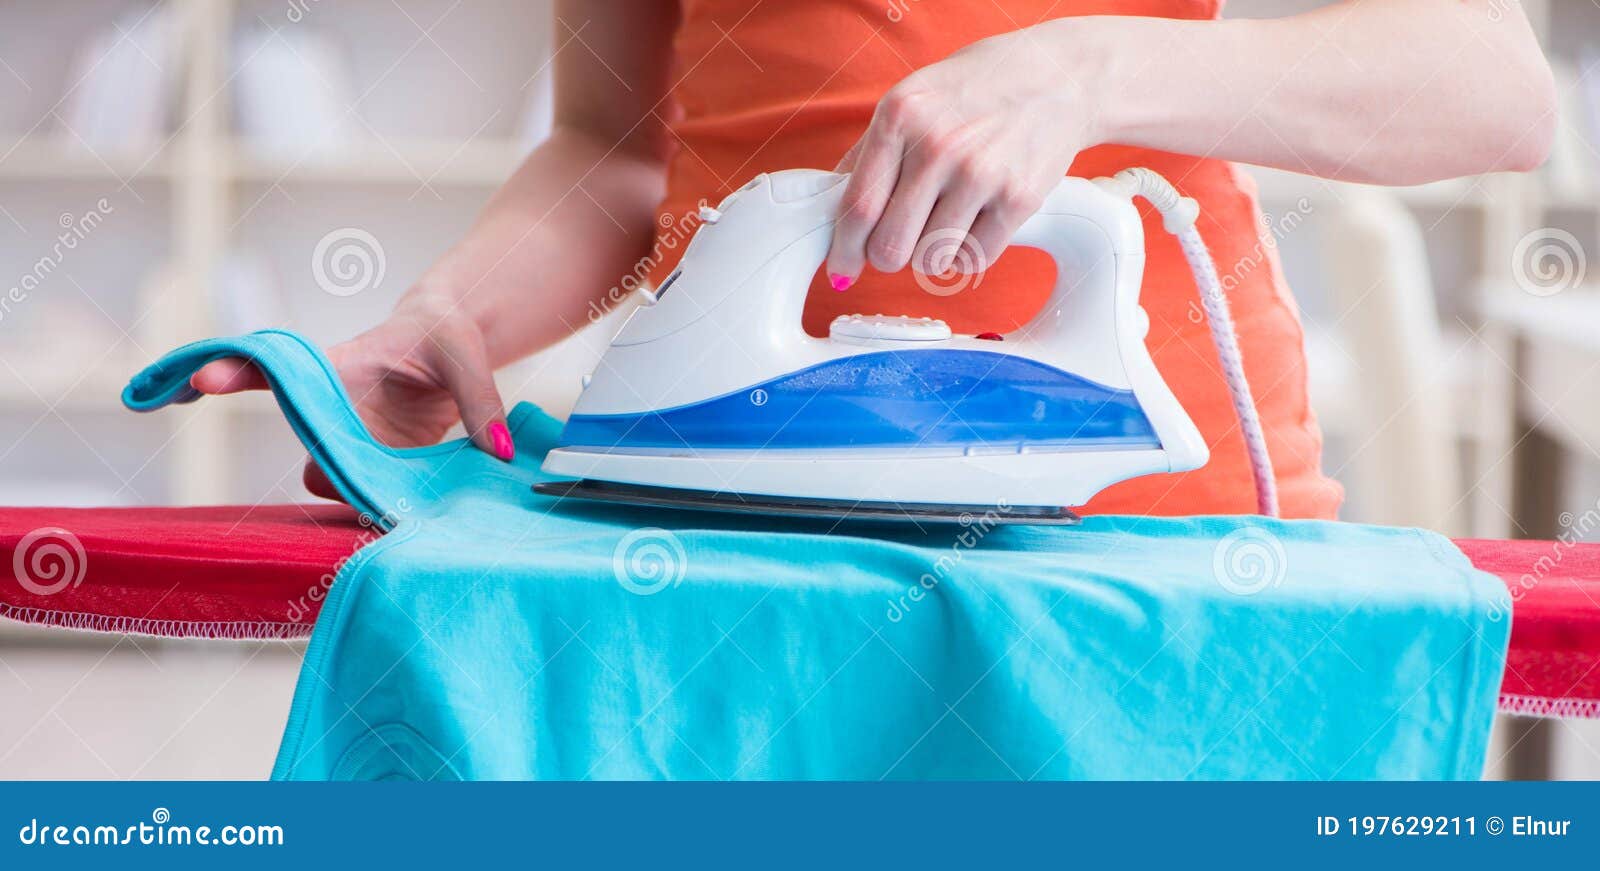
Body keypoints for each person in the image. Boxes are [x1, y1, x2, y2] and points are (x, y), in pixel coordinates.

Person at [194, 0, 1554, 518]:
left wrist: (1086, 65)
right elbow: (617, 152)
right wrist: (459, 318)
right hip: (734, 552)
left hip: (1155, 534)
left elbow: (1493, 86)